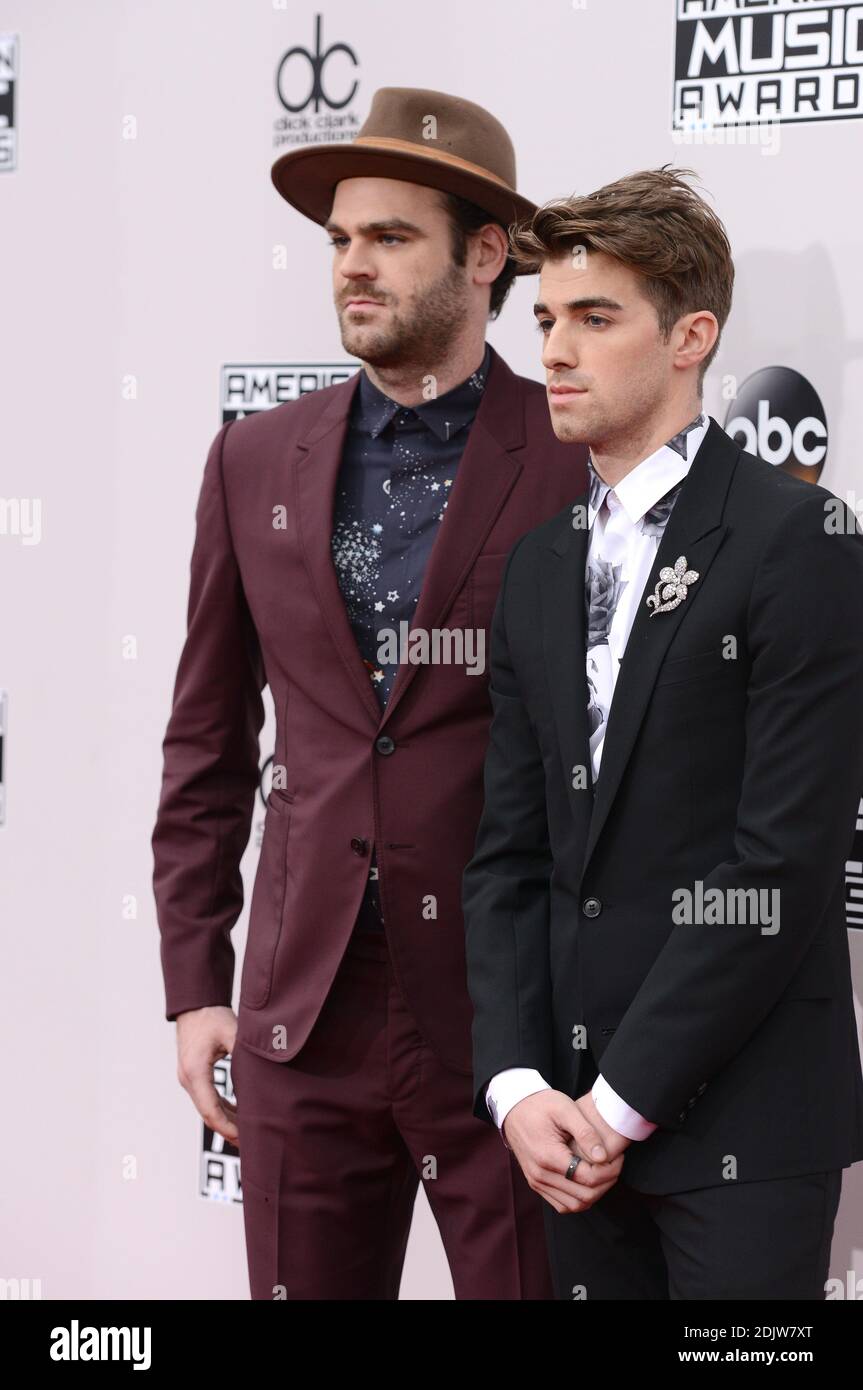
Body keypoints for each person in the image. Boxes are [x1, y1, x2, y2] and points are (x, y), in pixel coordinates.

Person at [151, 86, 588, 1299]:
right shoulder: (252, 459)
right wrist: (195, 983)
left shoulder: (567, 454)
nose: (352, 266)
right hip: (304, 1012)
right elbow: (205, 742)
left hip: (508, 1020)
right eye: (341, 240)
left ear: (485, 255)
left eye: (390, 238)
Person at [463, 166, 863, 1300]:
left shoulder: (799, 539)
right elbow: (505, 855)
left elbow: (780, 865)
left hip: (742, 1130)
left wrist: (614, 1103)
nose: (555, 349)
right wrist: (514, 1085)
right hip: (565, 1138)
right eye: (544, 318)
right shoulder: (539, 567)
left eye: (595, 318)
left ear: (691, 337)